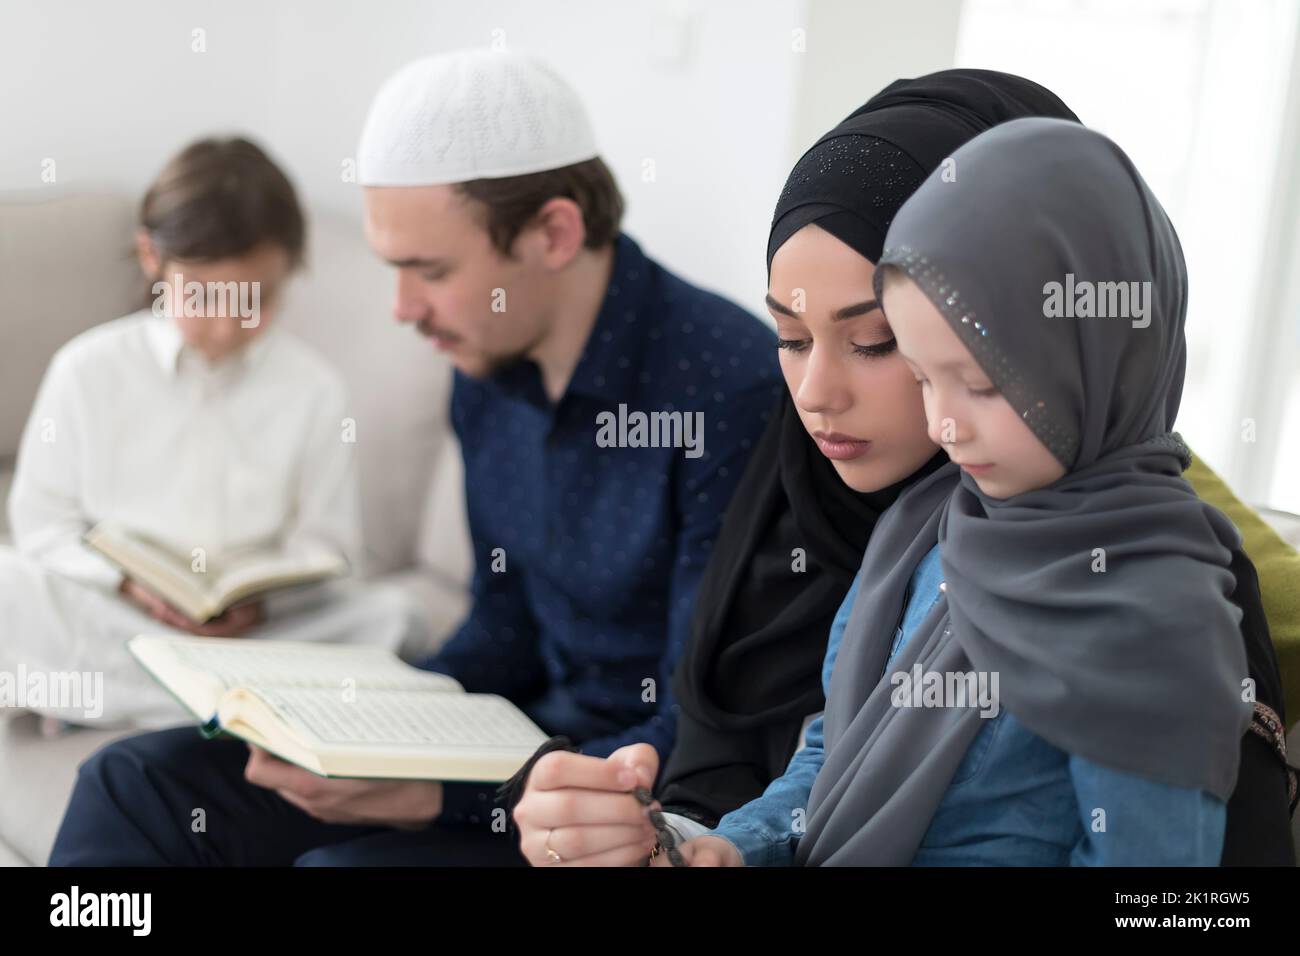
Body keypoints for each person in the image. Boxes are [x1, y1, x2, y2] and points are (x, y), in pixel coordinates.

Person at [47, 49, 782, 865]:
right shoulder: (486, 366)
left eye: (428, 270)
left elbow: (701, 729)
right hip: (514, 743)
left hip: (612, 795)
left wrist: (439, 796)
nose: (401, 309)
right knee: (133, 780)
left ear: (554, 232)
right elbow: (501, 630)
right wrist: (357, 725)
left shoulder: (728, 388)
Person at [686, 117, 1271, 866]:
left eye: (984, 384)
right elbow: (830, 761)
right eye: (927, 379)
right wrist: (730, 848)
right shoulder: (922, 528)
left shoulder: (1147, 603)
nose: (946, 426)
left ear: (1092, 357)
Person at [1, 136, 425, 730]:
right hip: (121, 616)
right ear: (152, 258)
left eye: (258, 298)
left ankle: (128, 698)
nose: (228, 327)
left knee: (395, 616)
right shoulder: (88, 368)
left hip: (255, 632)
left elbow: (332, 551)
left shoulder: (315, 389)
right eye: (204, 297)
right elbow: (41, 527)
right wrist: (126, 585)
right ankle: (227, 703)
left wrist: (260, 605)